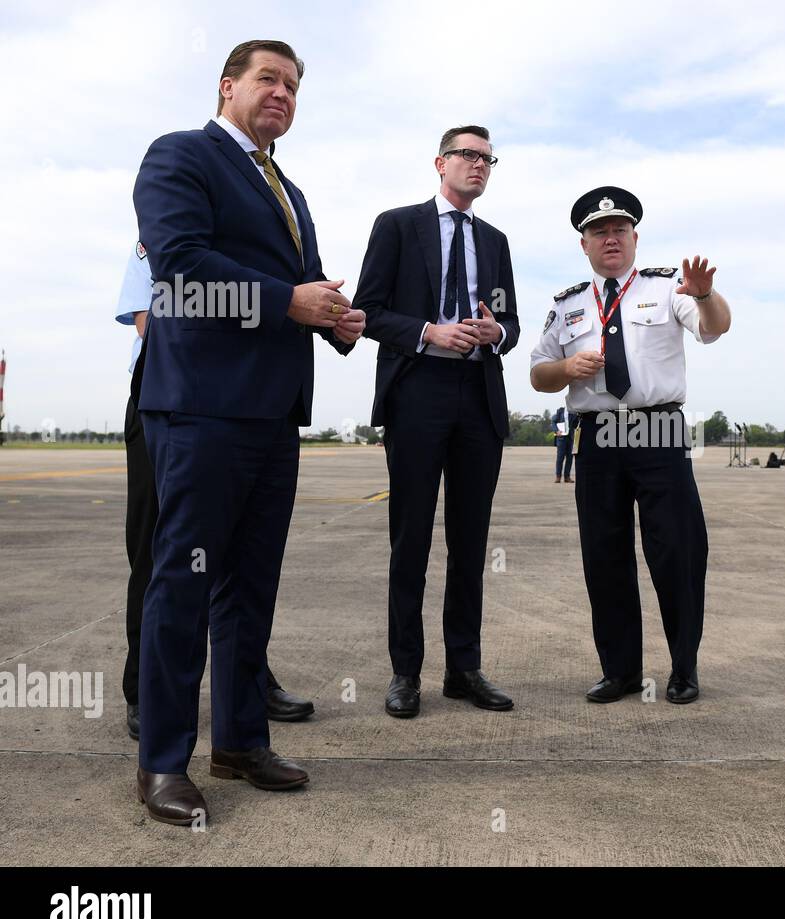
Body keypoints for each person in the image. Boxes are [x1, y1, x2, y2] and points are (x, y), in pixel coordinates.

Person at [132, 40, 365, 825]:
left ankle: (238, 740)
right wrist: (288, 302)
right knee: (183, 585)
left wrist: (335, 316)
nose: (283, 94)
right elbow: (181, 265)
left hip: (272, 415)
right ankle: (163, 761)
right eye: (269, 79)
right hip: (202, 408)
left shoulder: (288, 189)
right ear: (228, 86)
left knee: (249, 588)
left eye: (294, 86)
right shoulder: (181, 156)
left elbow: (303, 286)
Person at [529, 187, 731, 704]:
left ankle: (683, 668)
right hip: (597, 435)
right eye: (599, 232)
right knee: (605, 555)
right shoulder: (568, 305)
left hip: (656, 429)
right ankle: (619, 671)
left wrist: (705, 294)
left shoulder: (669, 288)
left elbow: (714, 329)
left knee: (676, 552)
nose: (610, 238)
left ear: (635, 238)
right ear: (585, 244)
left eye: (619, 229)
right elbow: (538, 373)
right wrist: (567, 369)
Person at [115, 246, 314, 743]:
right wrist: (258, 310)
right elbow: (147, 320)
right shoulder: (161, 242)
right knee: (157, 553)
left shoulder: (244, 241)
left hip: (238, 403)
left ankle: (248, 685)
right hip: (167, 398)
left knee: (239, 560)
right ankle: (144, 690)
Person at [354, 125, 520, 718]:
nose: (478, 166)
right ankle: (405, 671)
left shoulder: (496, 241)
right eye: (467, 156)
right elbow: (368, 312)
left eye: (487, 159)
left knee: (470, 540)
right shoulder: (398, 225)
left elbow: (511, 322)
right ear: (440, 162)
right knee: (412, 537)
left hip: (478, 393)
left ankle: (463, 667)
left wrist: (495, 332)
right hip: (417, 391)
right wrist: (427, 332)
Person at [552, 406, 576, 482]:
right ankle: (558, 477)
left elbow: (576, 423)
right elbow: (553, 422)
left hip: (571, 438)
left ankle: (567, 477)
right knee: (560, 458)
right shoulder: (560, 411)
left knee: (570, 458)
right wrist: (556, 431)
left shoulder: (574, 412)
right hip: (561, 438)